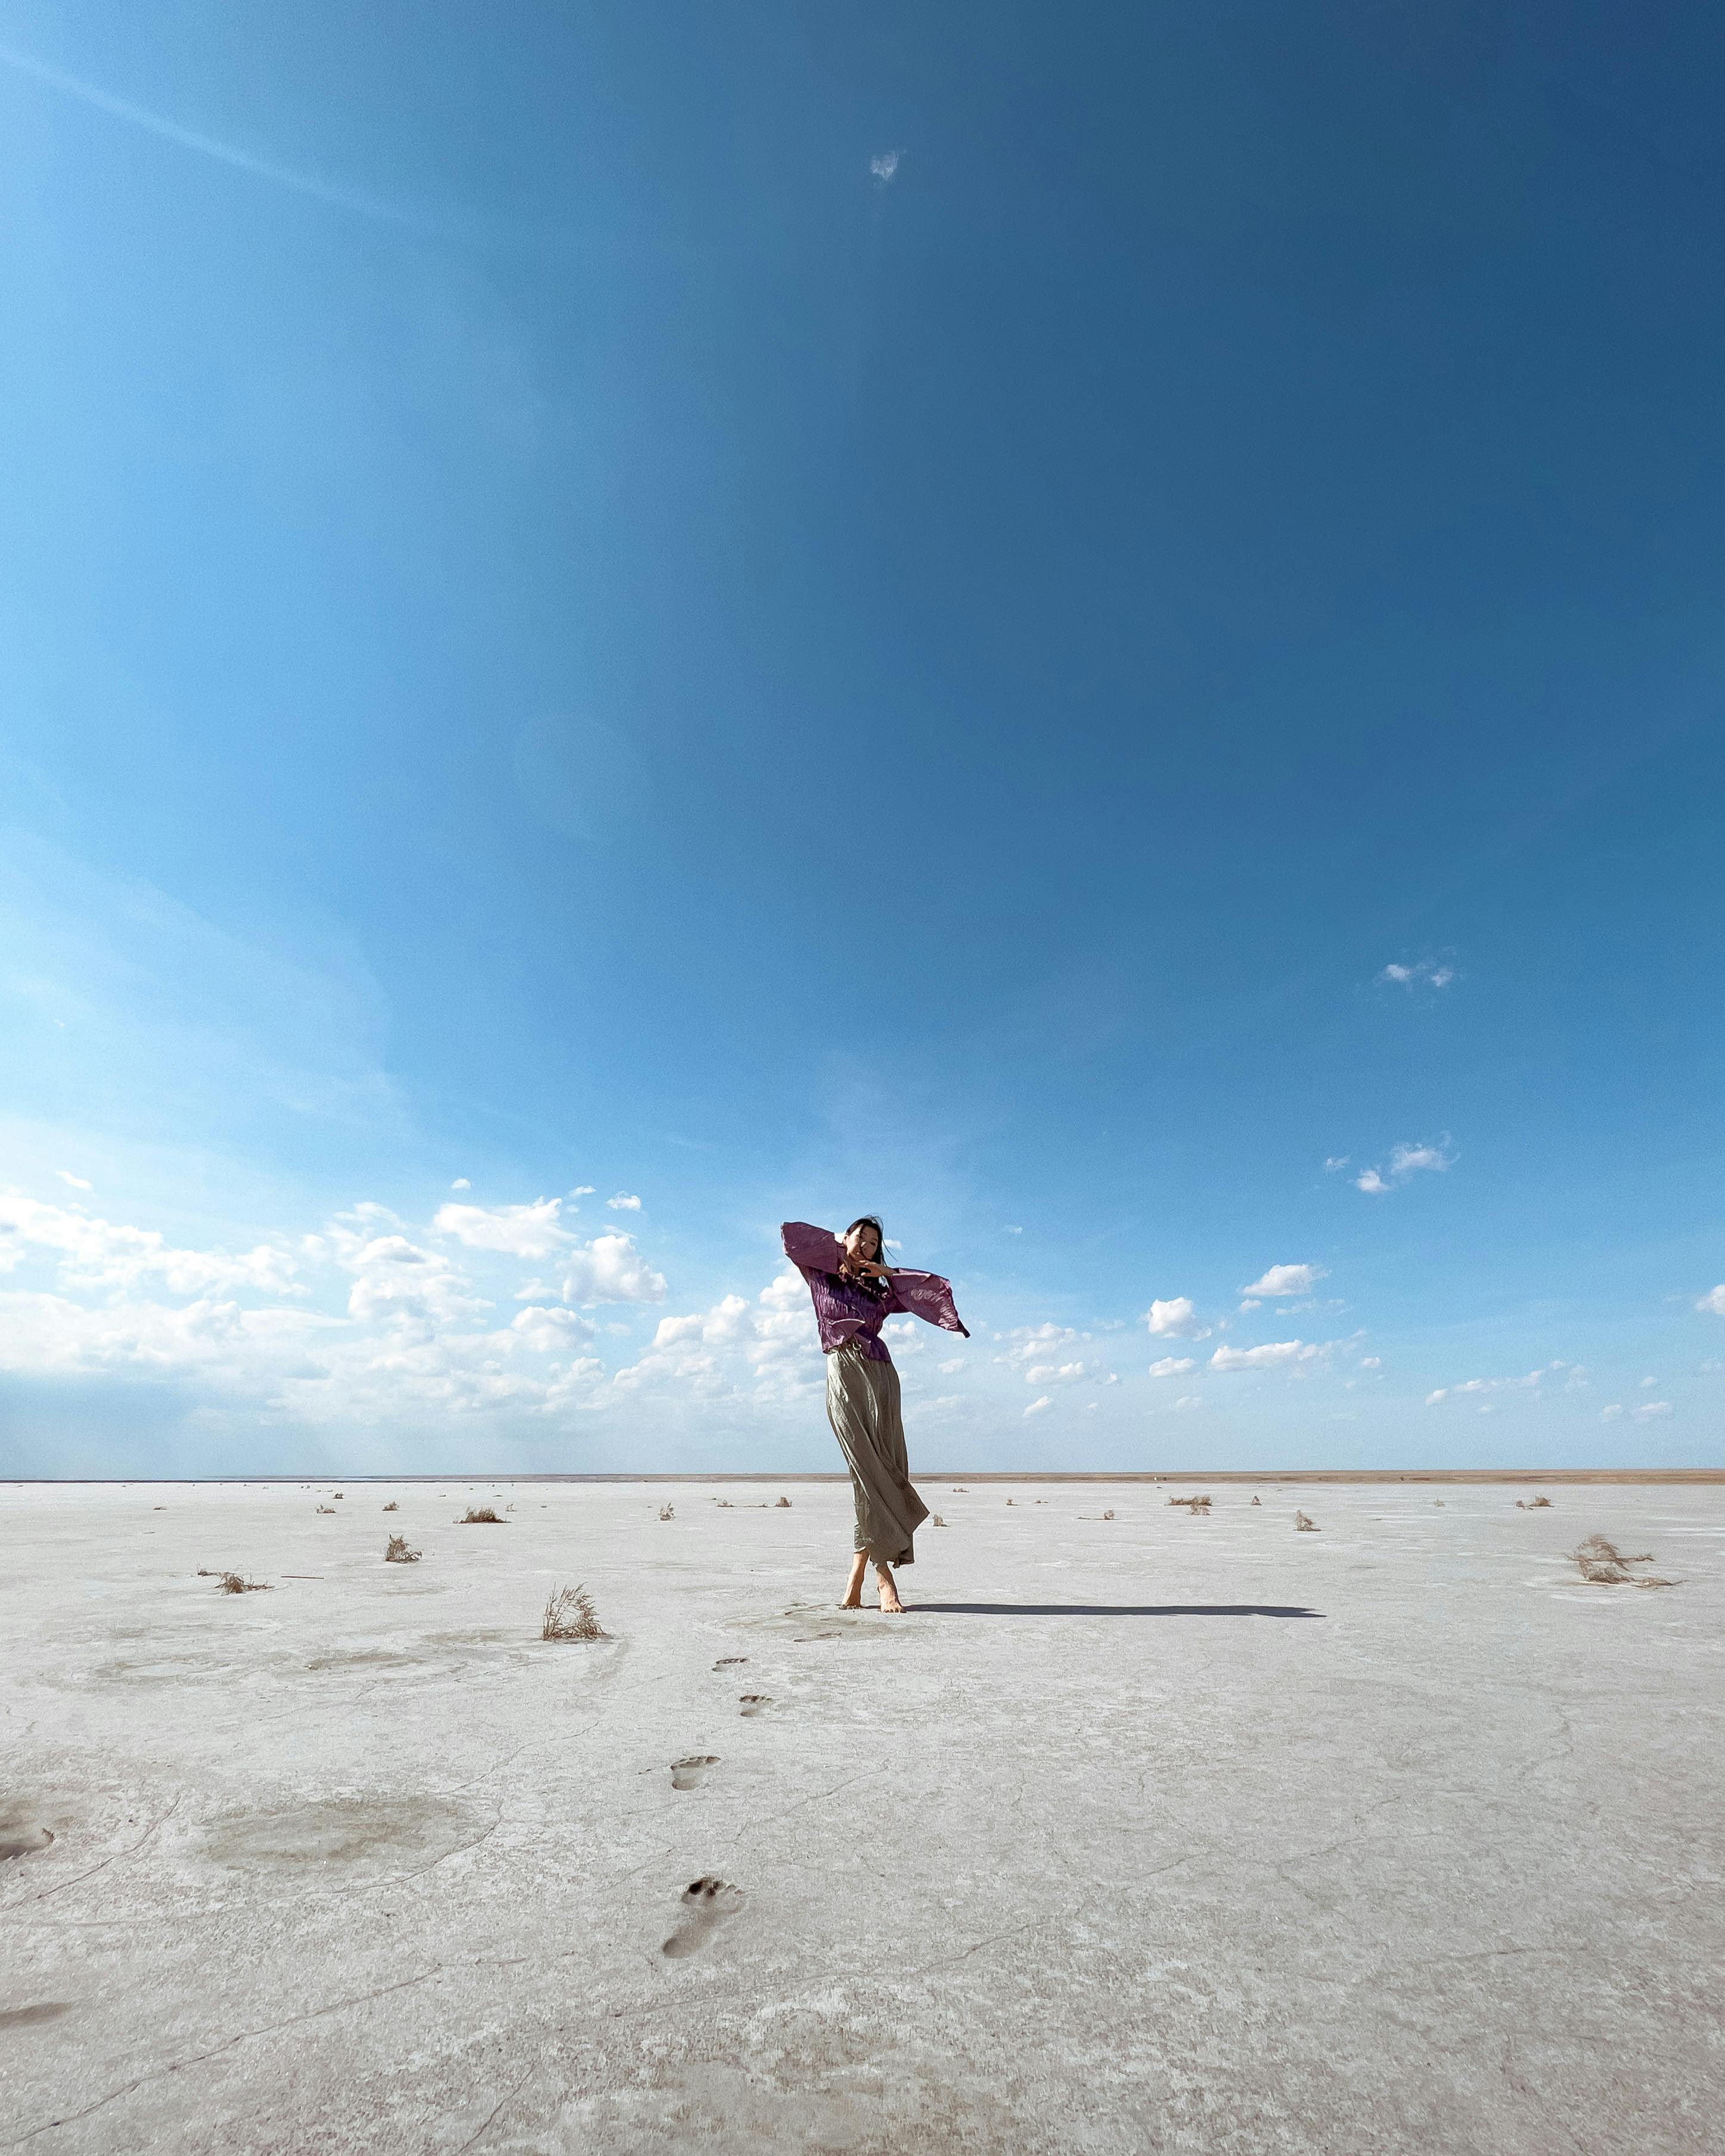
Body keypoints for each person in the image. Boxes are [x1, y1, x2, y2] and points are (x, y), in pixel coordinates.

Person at [780, 1217, 969, 1613]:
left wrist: (889, 1272)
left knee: (882, 1468)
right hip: (844, 1372)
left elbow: (930, 1288)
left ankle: (861, 1575)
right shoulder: (819, 1274)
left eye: (873, 1243)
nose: (865, 1246)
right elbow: (792, 1238)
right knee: (865, 1470)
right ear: (846, 1236)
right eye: (860, 1237)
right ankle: (882, 1575)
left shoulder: (879, 1290)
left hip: (881, 1376)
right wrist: (839, 1245)